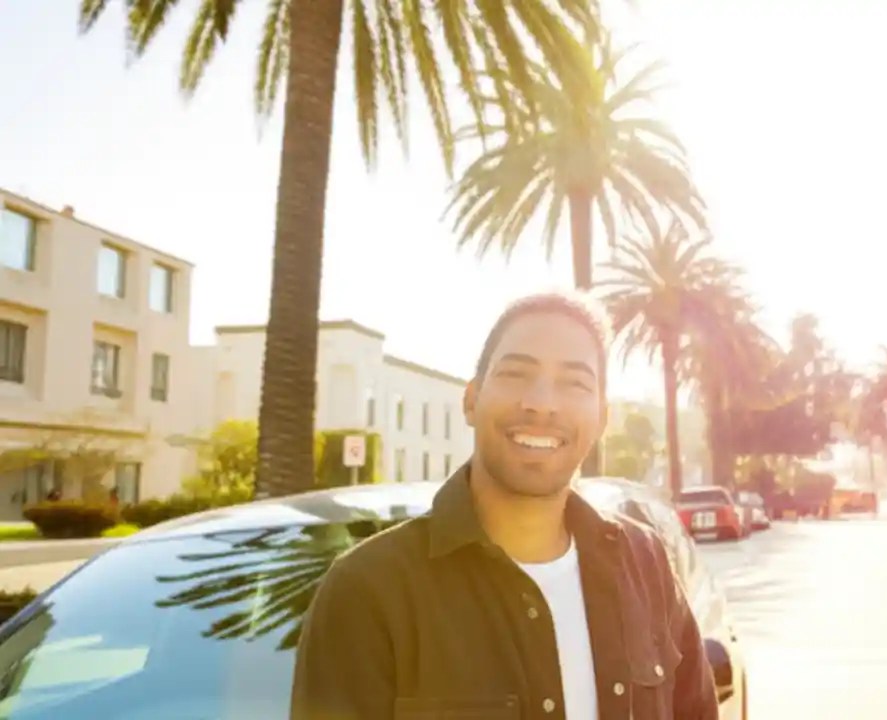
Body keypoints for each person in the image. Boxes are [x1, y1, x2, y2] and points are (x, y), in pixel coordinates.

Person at [290, 291, 718, 720]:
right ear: (471, 400)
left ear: (602, 419)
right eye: (516, 373)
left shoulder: (644, 564)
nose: (542, 403)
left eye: (575, 382)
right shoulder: (368, 592)